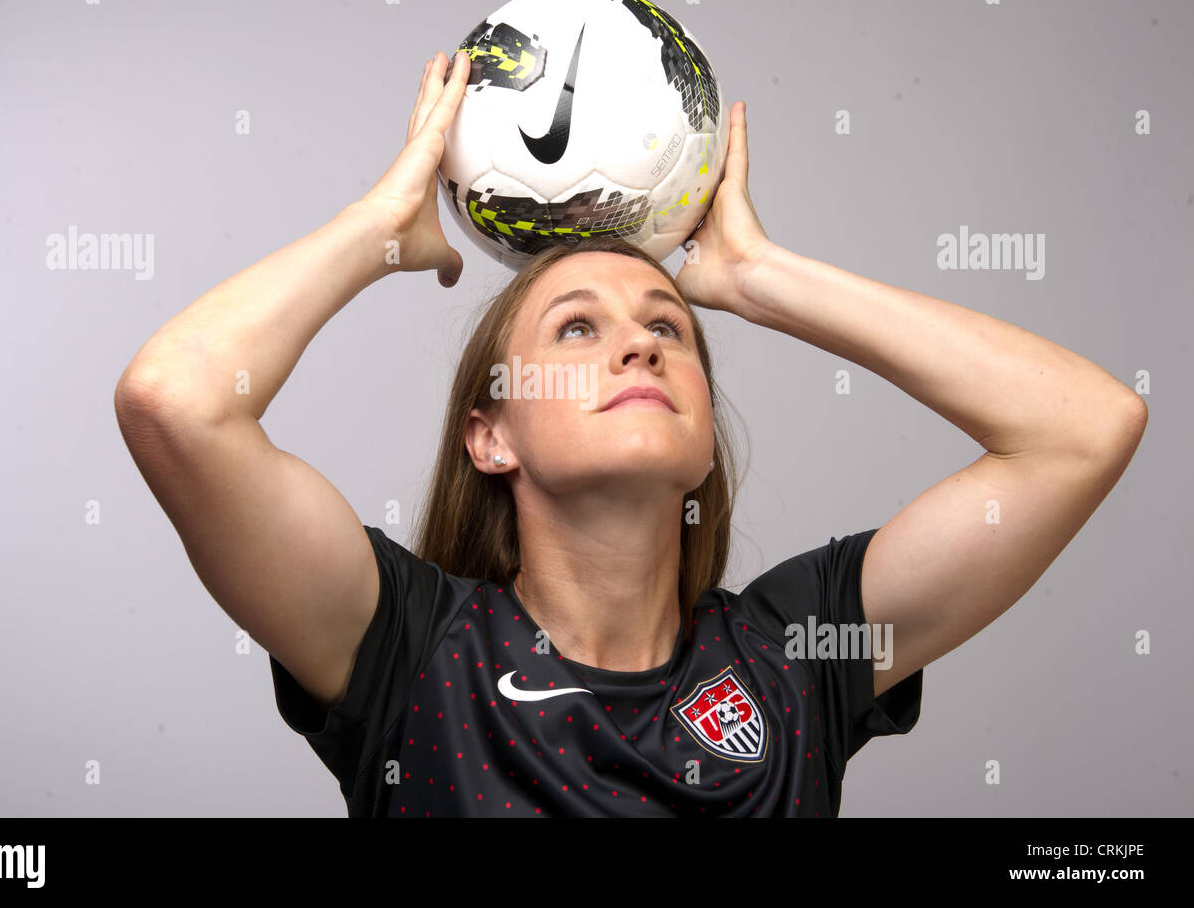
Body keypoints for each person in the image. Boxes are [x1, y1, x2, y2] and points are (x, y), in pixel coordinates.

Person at [113, 49, 1148, 817]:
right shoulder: (407, 653)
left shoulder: (798, 654)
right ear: (491, 435)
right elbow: (176, 400)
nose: (640, 346)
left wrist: (761, 280)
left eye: (669, 328)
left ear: (702, 435)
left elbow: (1083, 427)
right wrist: (382, 225)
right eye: (577, 327)